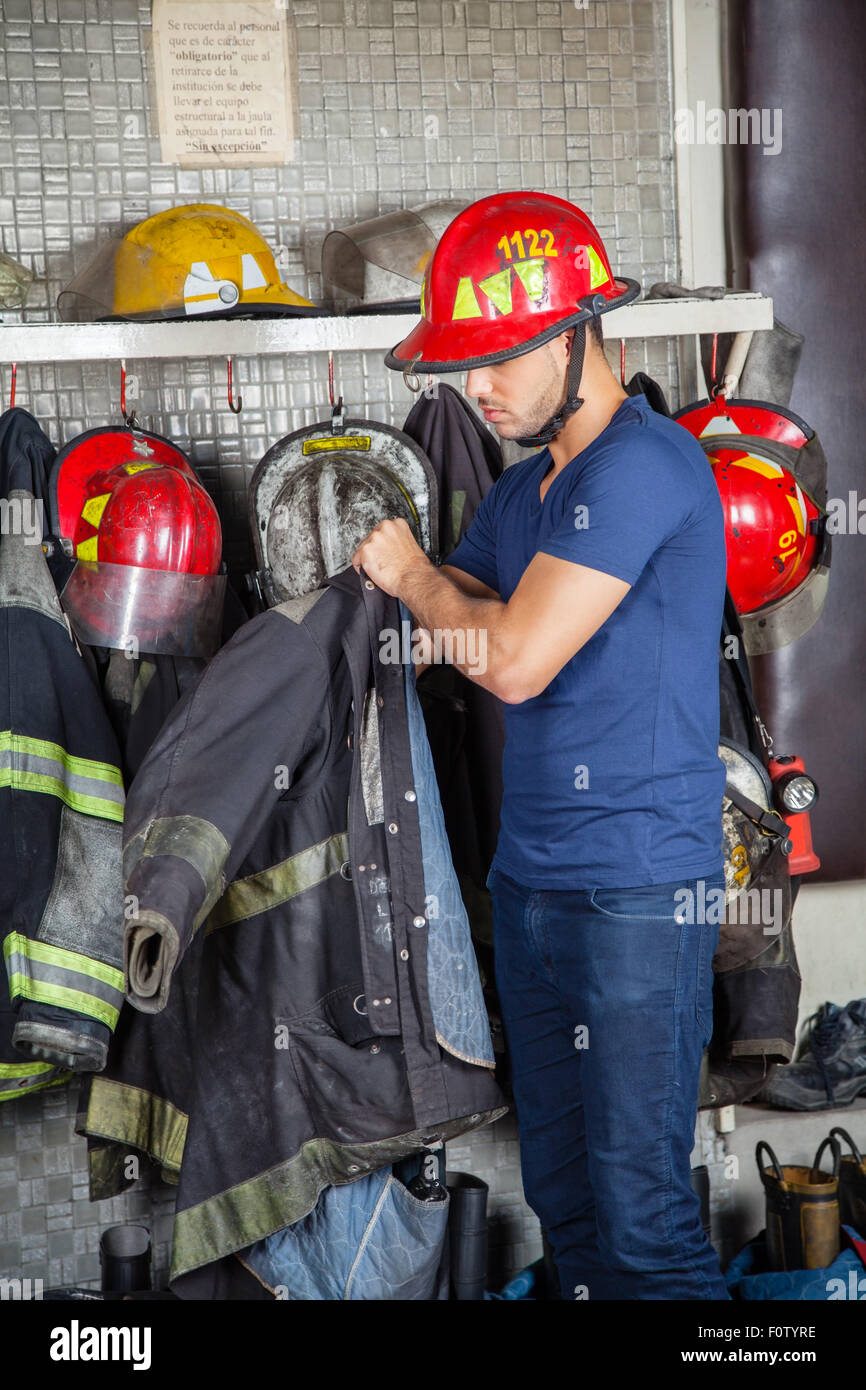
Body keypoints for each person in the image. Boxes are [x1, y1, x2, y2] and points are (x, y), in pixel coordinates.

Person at [352, 192, 730, 1300]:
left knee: (644, 1228)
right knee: (563, 1206)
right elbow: (458, 610)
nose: (476, 387)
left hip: (636, 897)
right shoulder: (523, 493)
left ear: (576, 333)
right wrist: (427, 593)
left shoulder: (647, 467)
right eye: (464, 364)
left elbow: (506, 655)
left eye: (499, 358)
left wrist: (408, 570)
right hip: (527, 890)